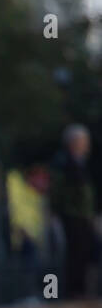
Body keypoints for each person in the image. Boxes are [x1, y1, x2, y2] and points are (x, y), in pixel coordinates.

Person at [49, 124, 98, 298]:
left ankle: (83, 289)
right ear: (73, 143)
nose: (87, 145)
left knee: (86, 250)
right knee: (76, 251)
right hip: (72, 214)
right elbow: (58, 190)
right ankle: (74, 291)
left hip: (82, 214)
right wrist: (56, 212)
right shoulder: (64, 162)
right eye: (83, 141)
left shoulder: (81, 162)